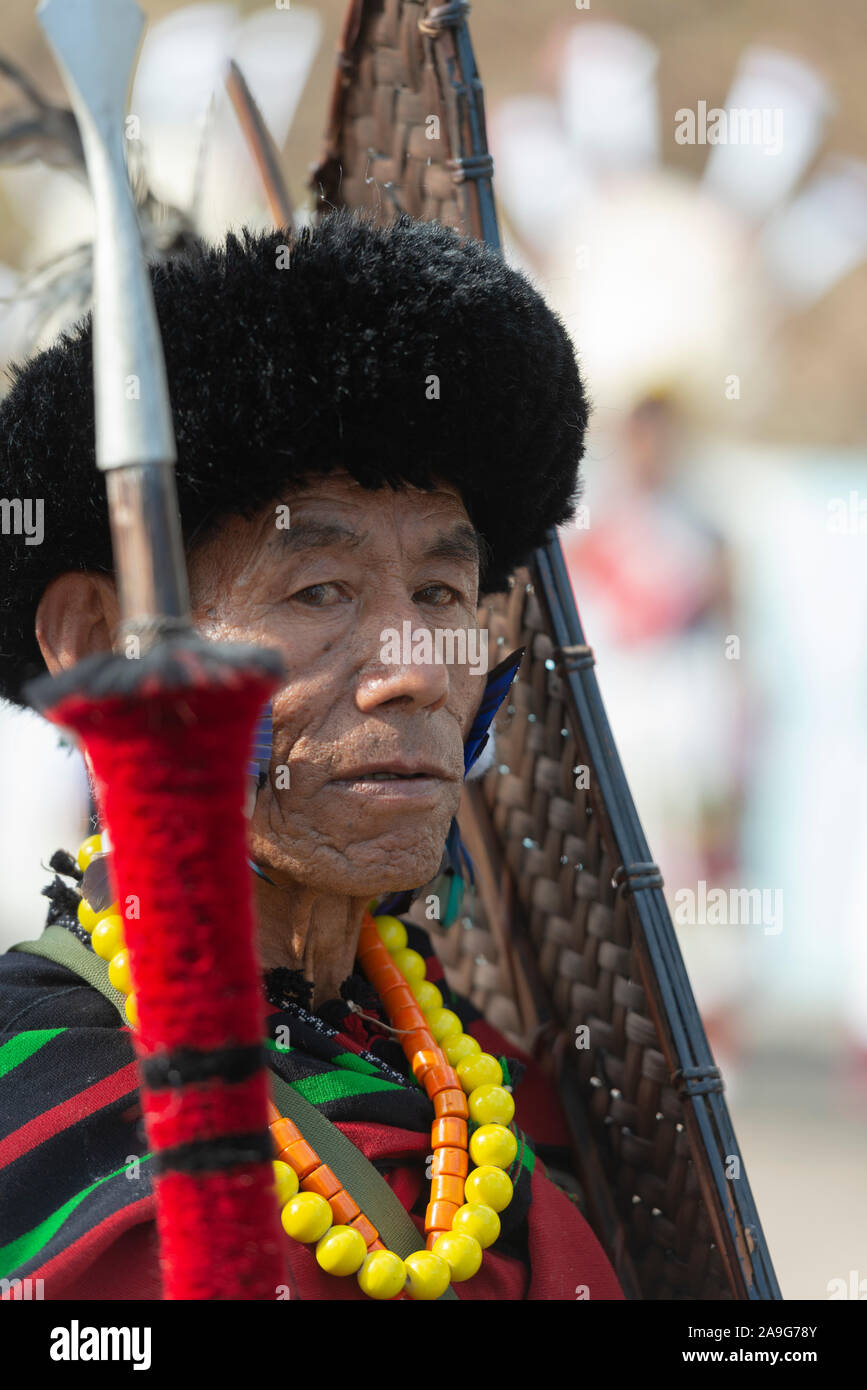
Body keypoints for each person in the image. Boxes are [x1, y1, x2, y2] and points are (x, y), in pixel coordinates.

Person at [0, 209, 623, 1300]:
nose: (416, 669)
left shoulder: (495, 1090)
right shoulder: (34, 1104)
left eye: (439, 592)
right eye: (319, 591)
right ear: (100, 644)